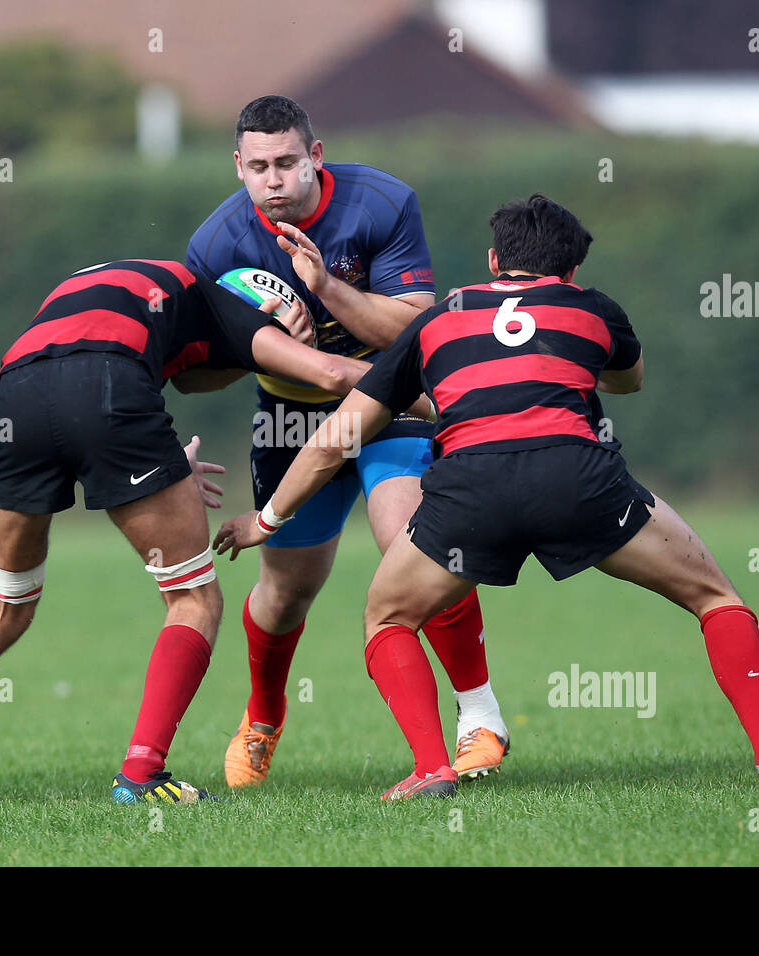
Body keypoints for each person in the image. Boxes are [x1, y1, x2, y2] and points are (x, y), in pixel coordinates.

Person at [216, 195, 759, 799]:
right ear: (571, 271)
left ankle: (431, 770)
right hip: (579, 479)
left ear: (491, 260)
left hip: (472, 489)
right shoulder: (591, 306)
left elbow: (336, 438)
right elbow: (630, 379)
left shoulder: (437, 320)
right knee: (716, 597)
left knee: (388, 617)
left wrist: (264, 520)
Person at [0, 258, 407, 805]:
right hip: (106, 387)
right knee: (193, 598)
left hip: (13, 393)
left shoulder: (124, 281)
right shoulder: (232, 306)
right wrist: (434, 396)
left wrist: (163, 467)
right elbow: (332, 375)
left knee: (5, 604)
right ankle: (143, 773)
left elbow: (107, 376)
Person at [187, 95, 509, 788]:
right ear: (237, 167)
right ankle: (265, 714)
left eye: (287, 163)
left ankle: (480, 717)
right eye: (258, 167)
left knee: (412, 542)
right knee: (286, 589)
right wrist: (264, 344)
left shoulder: (380, 204)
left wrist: (326, 288)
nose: (273, 180)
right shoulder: (215, 246)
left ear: (316, 157)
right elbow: (195, 378)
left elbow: (414, 331)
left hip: (395, 402)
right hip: (291, 415)